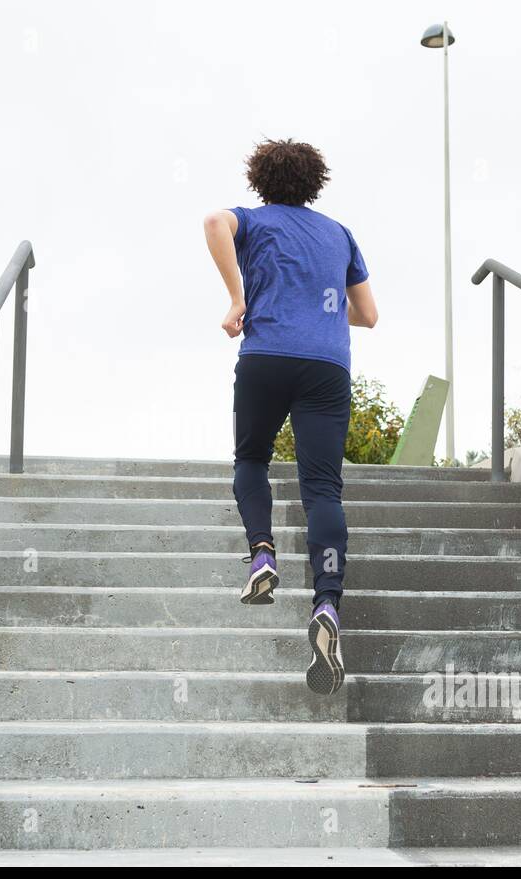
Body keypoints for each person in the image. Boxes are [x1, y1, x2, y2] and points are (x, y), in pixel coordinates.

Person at [203, 138, 378, 696]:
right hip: (325, 367)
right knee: (323, 490)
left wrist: (238, 298)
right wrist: (318, 310)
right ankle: (326, 601)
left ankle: (261, 554)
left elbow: (213, 222)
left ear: (260, 179)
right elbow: (368, 315)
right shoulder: (339, 234)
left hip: (265, 357)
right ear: (315, 183)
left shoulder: (251, 221)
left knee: (251, 458)